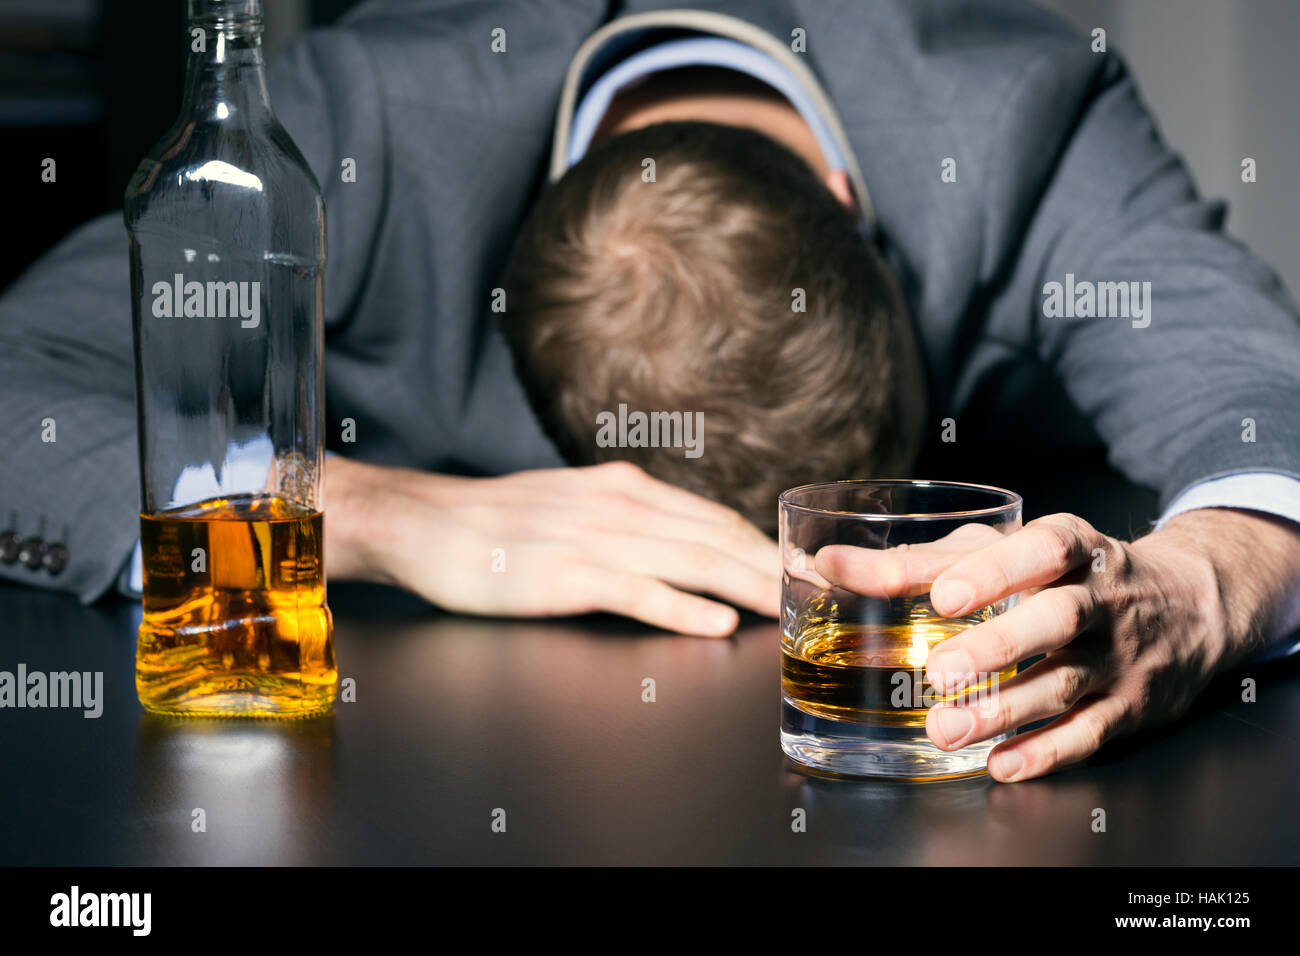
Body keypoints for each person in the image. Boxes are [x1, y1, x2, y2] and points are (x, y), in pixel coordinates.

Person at [2, 1, 1298, 783]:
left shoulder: (1015, 120)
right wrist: (379, 511)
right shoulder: (358, 133)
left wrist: (1201, 588)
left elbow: (1259, 397)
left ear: (860, 212)